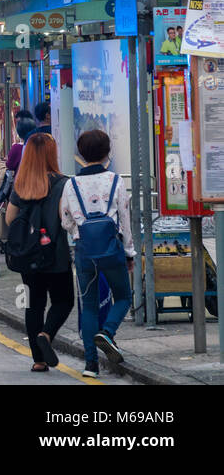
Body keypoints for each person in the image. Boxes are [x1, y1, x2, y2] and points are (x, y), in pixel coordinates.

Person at [59, 128, 136, 378]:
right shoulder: (115, 181)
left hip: (84, 252)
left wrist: (79, 232)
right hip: (112, 250)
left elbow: (65, 219)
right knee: (123, 295)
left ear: (81, 153)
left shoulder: (71, 184)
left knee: (89, 305)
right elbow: (124, 219)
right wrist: (129, 253)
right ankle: (108, 331)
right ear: (107, 153)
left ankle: (90, 365)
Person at [5, 133, 73, 373]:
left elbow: (9, 218)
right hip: (55, 254)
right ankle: (47, 333)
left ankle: (38, 360)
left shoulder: (21, 185)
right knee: (63, 301)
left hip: (28, 257)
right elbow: (69, 219)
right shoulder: (64, 184)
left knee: (33, 304)